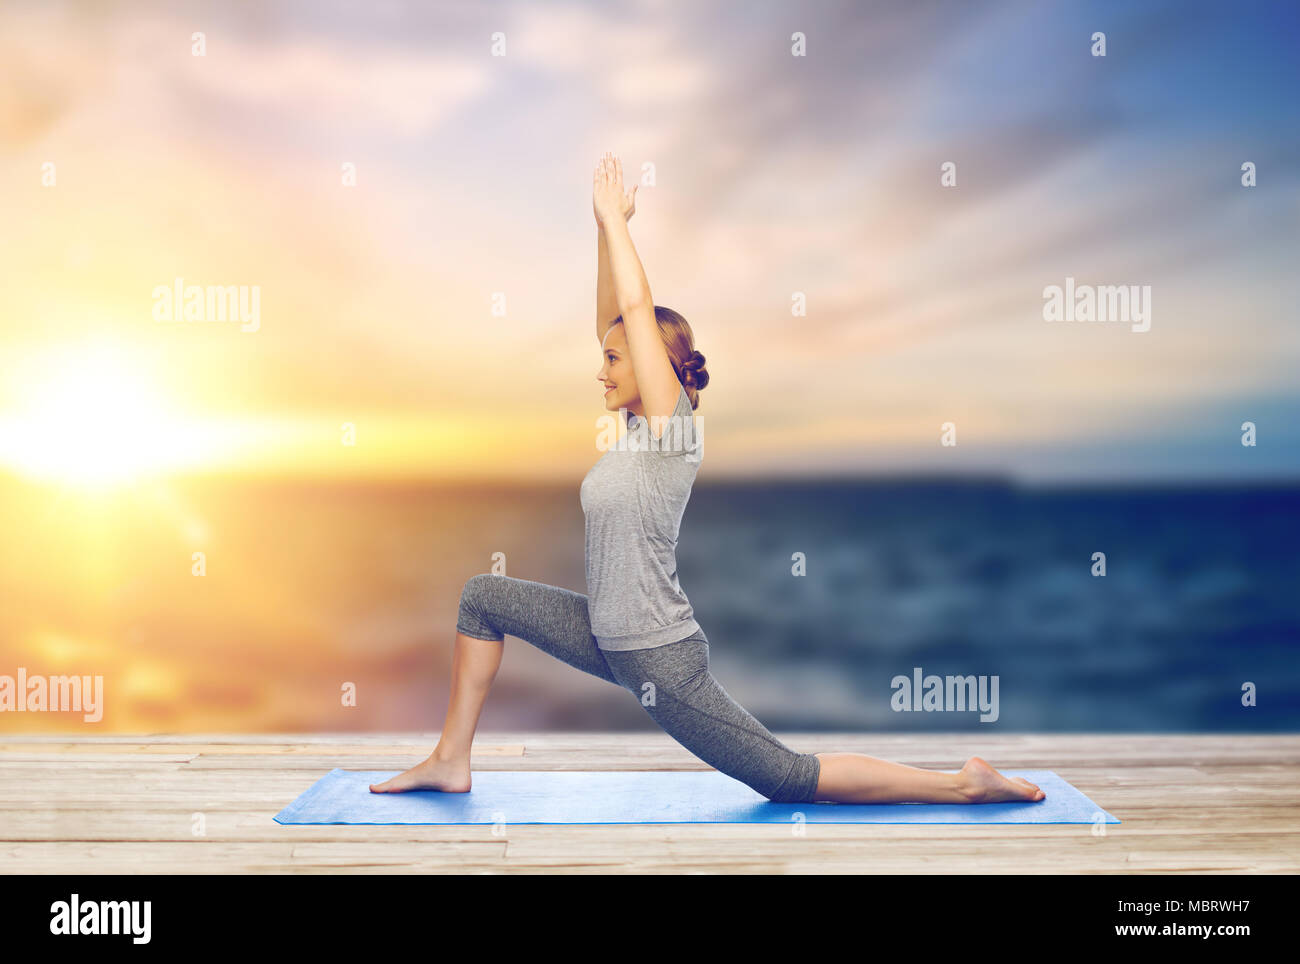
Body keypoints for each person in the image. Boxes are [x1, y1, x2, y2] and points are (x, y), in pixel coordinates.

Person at [371, 152, 1045, 806]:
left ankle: (962, 783)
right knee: (483, 597)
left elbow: (636, 314)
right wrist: (604, 228)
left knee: (786, 777)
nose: (600, 369)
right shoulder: (638, 430)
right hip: (608, 638)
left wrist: (621, 224)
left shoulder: (675, 431)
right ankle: (450, 760)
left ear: (652, 365)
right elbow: (618, 313)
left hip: (661, 658)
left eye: (614, 359)